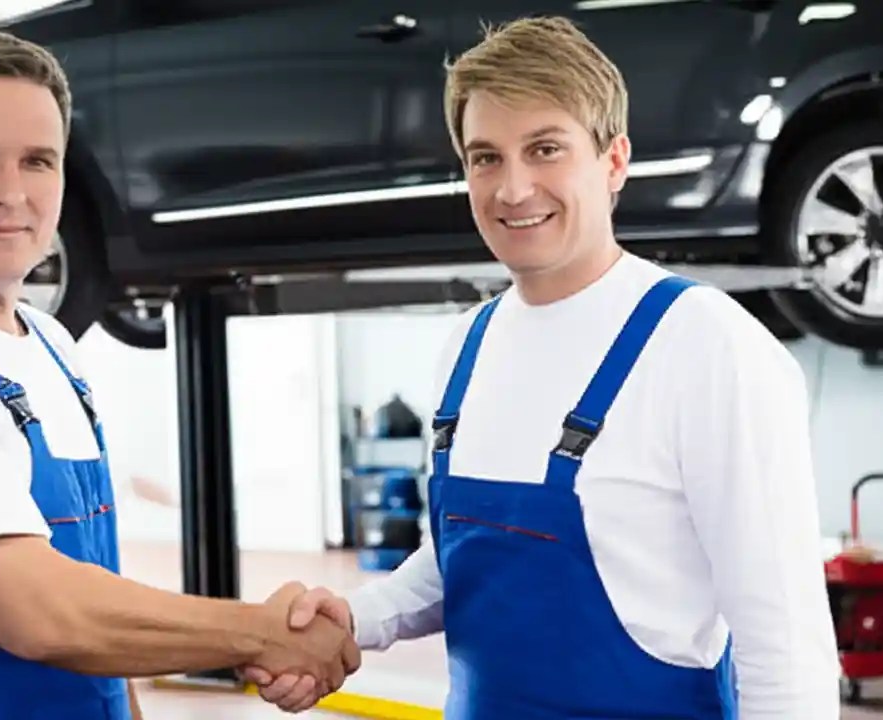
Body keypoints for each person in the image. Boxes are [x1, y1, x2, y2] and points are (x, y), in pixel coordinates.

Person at [245, 16, 841, 719]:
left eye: (546, 149)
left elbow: (787, 648)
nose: (513, 189)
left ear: (614, 161)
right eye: (485, 157)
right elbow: (456, 567)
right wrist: (350, 618)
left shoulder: (708, 346)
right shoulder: (468, 346)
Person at [0, 31, 358, 720]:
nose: (11, 192)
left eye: (38, 161)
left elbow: (96, 598)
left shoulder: (47, 344)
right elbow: (40, 613)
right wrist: (261, 633)